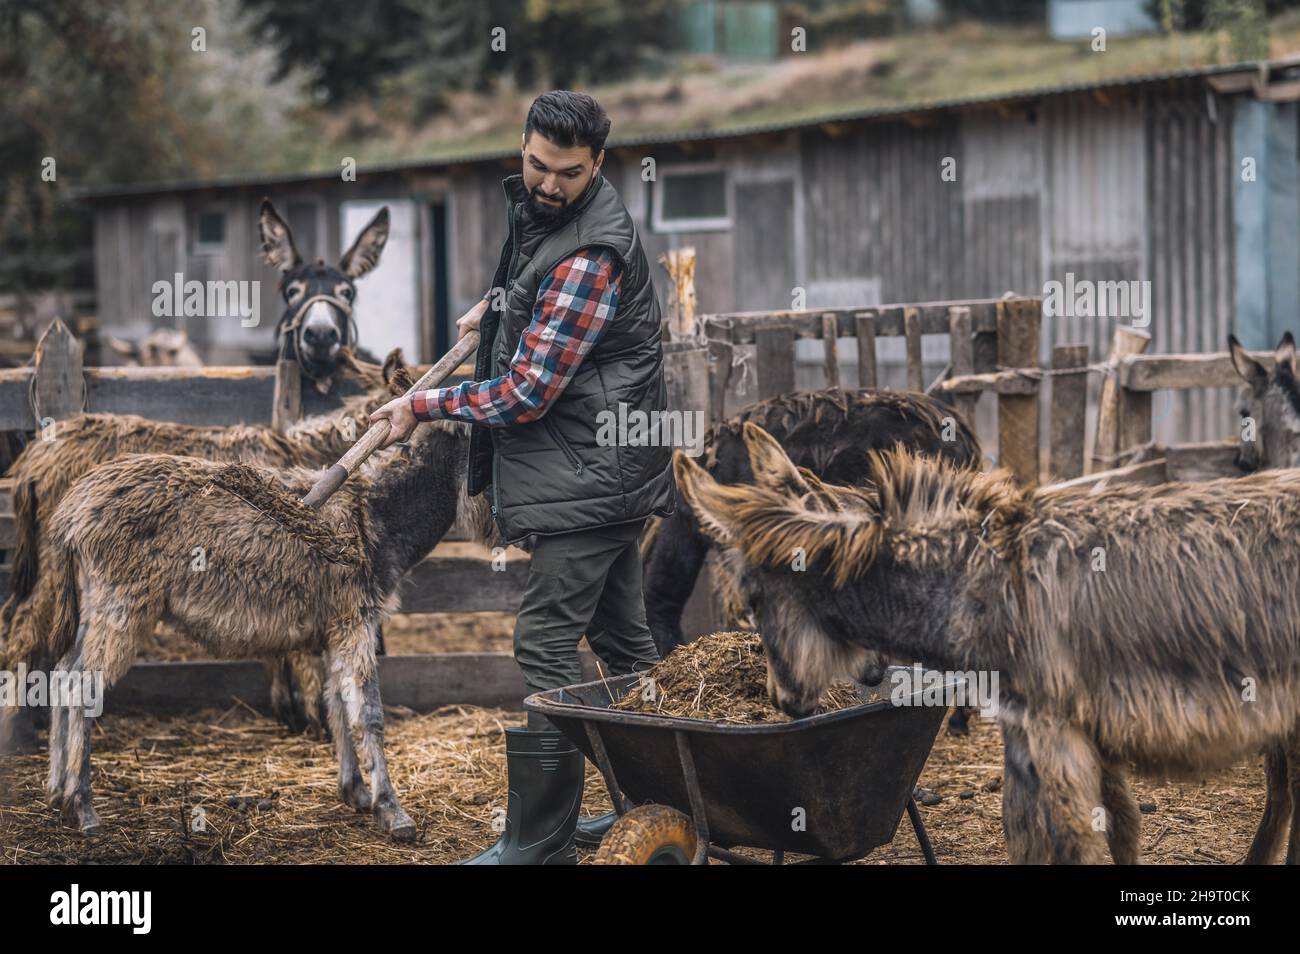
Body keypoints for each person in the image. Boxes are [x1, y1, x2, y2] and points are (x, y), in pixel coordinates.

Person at [370, 90, 674, 864]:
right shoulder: (555, 220)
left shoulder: (590, 255)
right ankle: (664, 806)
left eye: (566, 172)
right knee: (626, 645)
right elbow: (531, 296)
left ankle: (537, 843)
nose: (546, 182)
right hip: (604, 472)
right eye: (536, 163)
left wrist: (422, 404)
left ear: (597, 165)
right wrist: (495, 308)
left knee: (544, 645)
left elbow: (526, 394)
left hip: (591, 477)